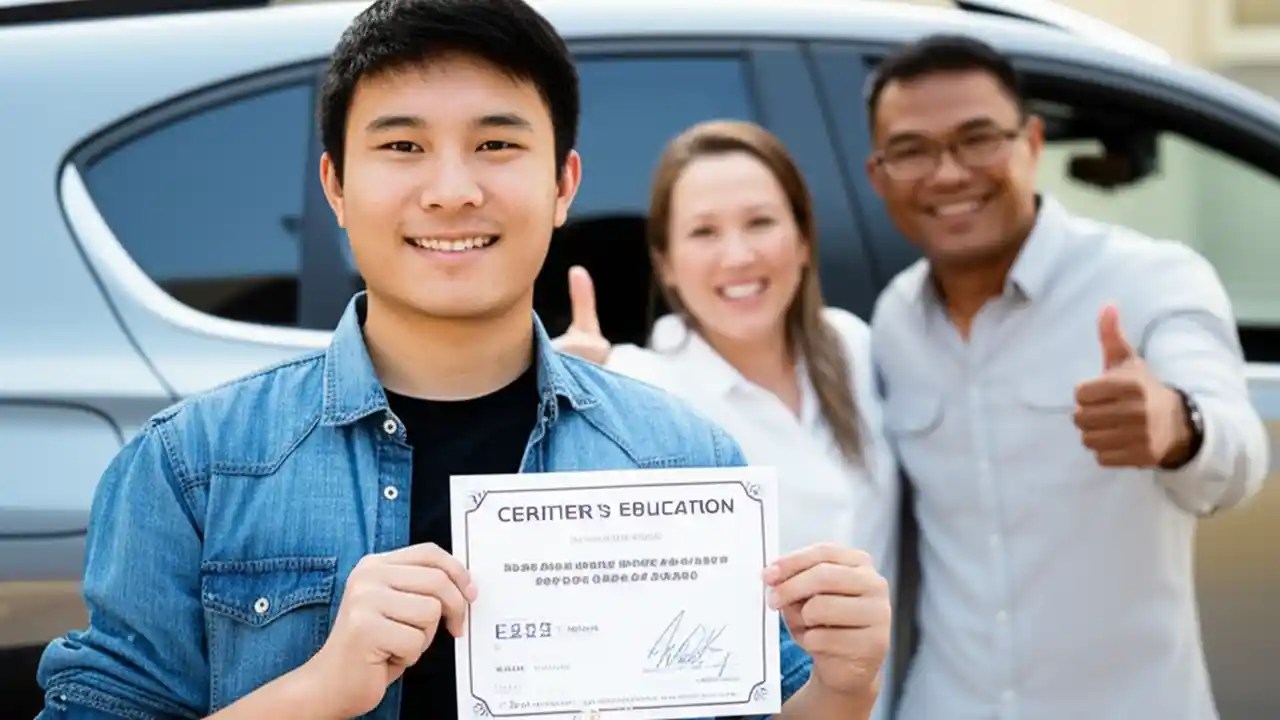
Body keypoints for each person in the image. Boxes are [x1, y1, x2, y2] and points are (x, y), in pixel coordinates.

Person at [34, 1, 893, 719]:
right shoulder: (194, 465)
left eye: (496, 145)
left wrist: (845, 687)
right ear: (336, 186)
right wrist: (318, 689)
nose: (452, 190)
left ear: (564, 185)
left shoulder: (682, 459)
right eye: (402, 147)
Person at [863, 34, 1269, 720]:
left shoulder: (1150, 280)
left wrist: (1179, 427)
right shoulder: (894, 321)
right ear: (878, 175)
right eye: (912, 150)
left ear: (1031, 143)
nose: (949, 174)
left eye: (977, 139)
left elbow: (1239, 454)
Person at [552, 120, 900, 718]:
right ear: (665, 264)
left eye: (760, 222)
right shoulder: (636, 393)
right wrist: (561, 386)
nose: (738, 256)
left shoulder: (853, 347)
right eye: (704, 231)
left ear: (803, 239)